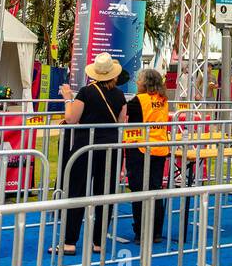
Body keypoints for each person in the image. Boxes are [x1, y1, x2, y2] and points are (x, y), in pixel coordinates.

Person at [53, 52, 127, 255]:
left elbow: (71, 119)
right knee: (105, 194)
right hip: (110, 148)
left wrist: (67, 99)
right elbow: (122, 122)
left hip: (85, 148)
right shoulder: (120, 95)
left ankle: (69, 242)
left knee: (77, 192)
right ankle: (99, 242)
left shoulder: (86, 92)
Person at [124, 67, 170, 243]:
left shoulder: (139, 100)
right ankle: (156, 231)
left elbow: (124, 115)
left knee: (139, 191)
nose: (137, 83)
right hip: (160, 147)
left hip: (140, 148)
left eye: (139, 80)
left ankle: (141, 232)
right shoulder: (163, 99)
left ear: (144, 83)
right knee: (155, 190)